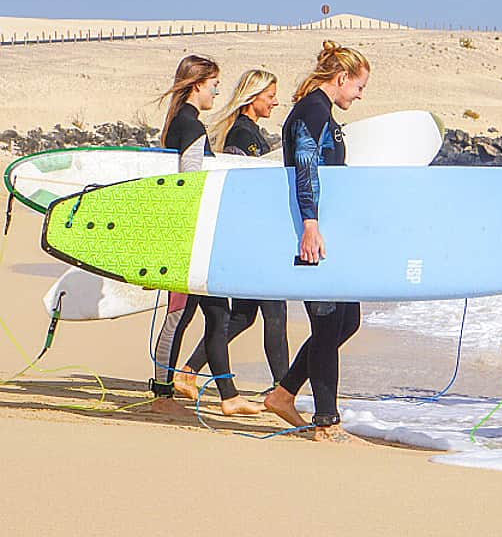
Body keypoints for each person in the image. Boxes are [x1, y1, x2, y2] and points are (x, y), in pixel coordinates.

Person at [263, 41, 370, 442]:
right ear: (341, 78)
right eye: (358, 87)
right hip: (311, 230)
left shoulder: (321, 110)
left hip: (326, 230)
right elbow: (305, 166)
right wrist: (310, 223)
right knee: (327, 322)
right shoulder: (312, 109)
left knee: (347, 320)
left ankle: (284, 393)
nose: (359, 95)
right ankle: (327, 421)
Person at [149, 55, 262, 416]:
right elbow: (190, 185)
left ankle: (227, 397)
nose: (217, 89)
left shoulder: (178, 122)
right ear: (198, 85)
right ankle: (163, 394)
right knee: (181, 315)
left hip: (188, 238)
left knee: (215, 315)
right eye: (214, 83)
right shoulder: (191, 126)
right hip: (191, 239)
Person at [175, 70, 289, 398]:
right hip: (251, 240)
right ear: (253, 98)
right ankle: (283, 389)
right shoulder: (242, 135)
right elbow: (246, 189)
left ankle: (188, 370)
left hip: (248, 237)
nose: (275, 102)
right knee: (274, 312)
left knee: (243, 316)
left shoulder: (249, 132)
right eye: (270, 97)